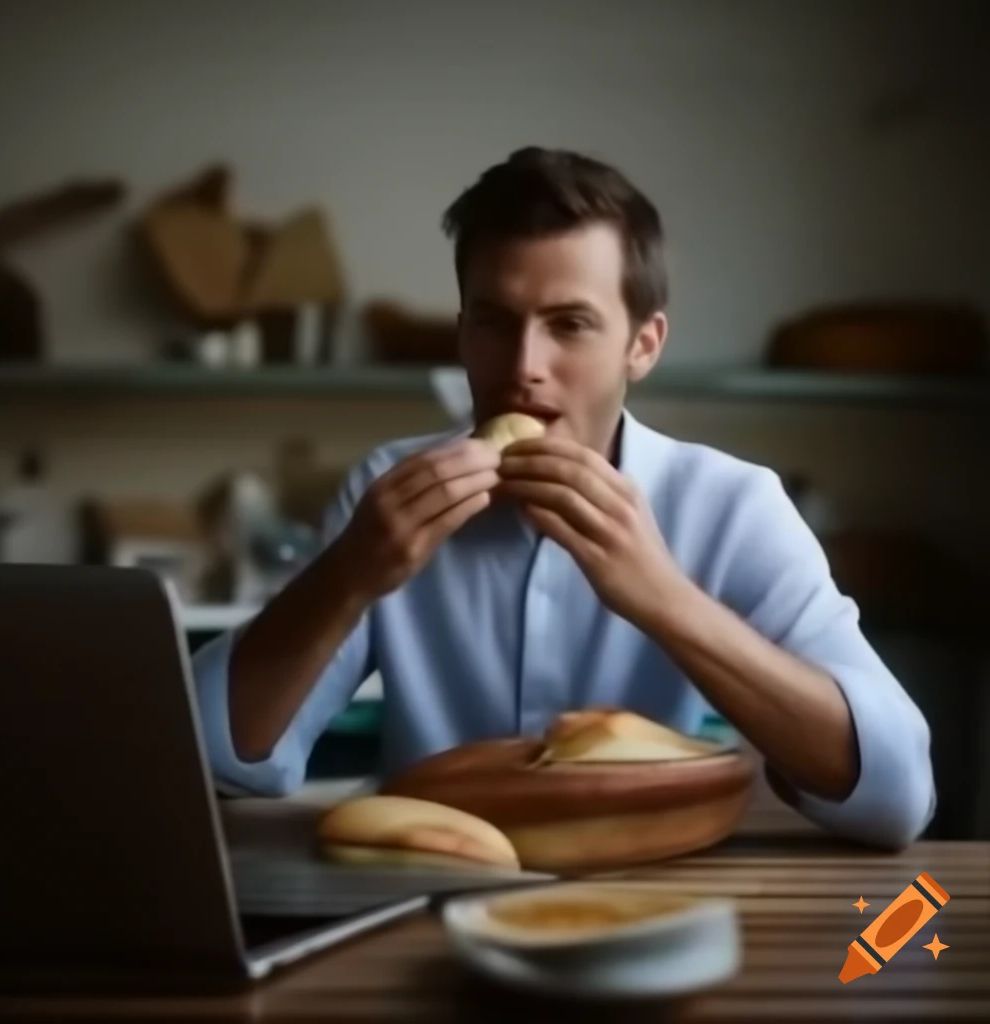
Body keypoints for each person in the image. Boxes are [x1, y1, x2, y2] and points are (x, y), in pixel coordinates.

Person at [193, 147, 935, 850]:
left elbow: (899, 796)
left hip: (654, 908)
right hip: (418, 900)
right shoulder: (385, 492)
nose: (524, 368)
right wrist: (347, 575)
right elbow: (212, 760)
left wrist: (663, 598)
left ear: (642, 345)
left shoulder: (731, 506)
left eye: (569, 325)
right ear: (462, 333)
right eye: (494, 322)